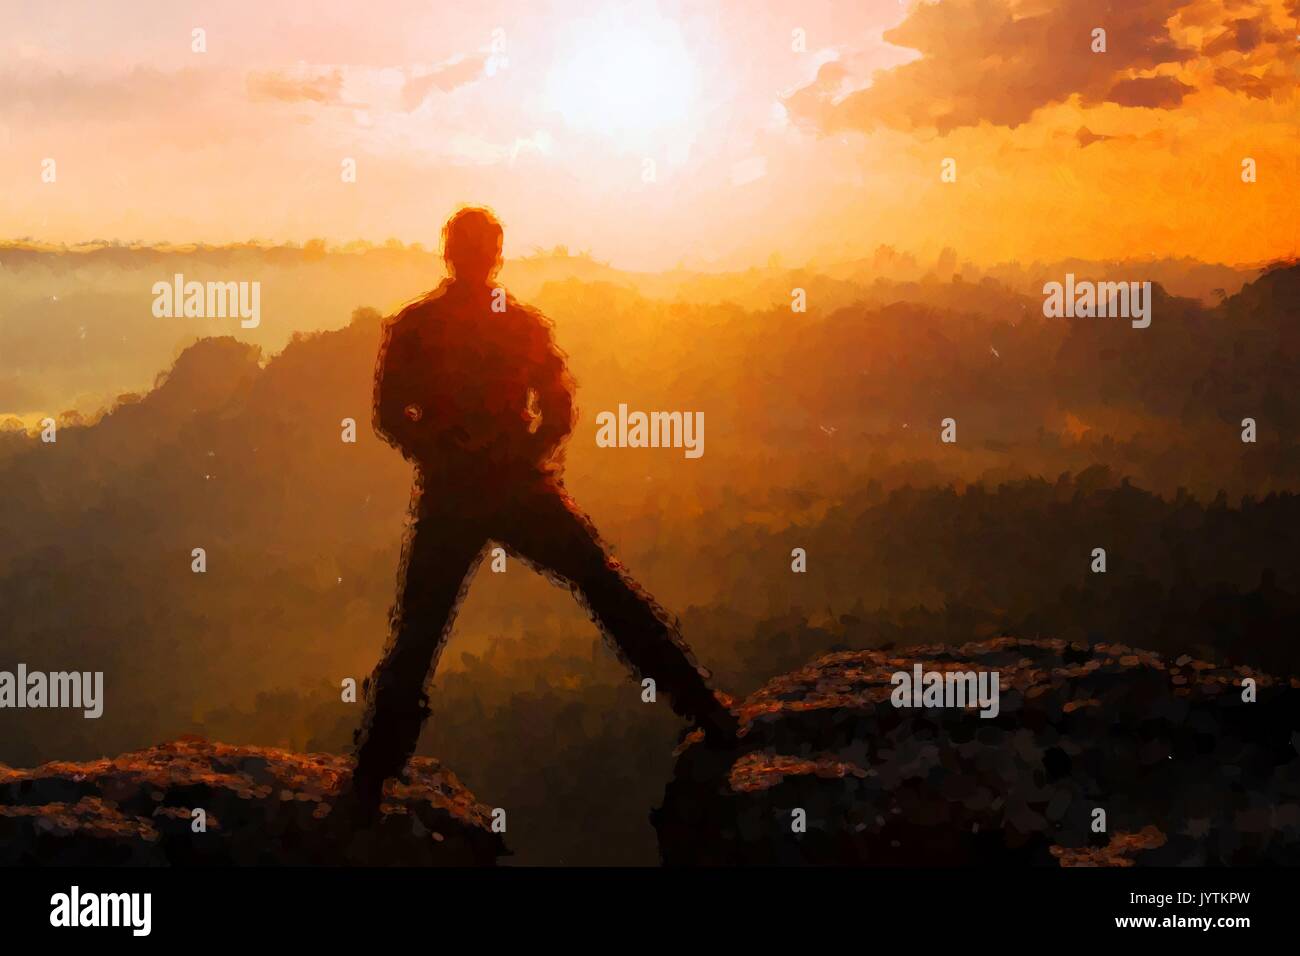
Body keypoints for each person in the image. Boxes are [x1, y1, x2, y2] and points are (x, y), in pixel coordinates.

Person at [348, 207, 739, 817]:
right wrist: (522, 452)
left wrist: (443, 450)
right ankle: (704, 707)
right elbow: (557, 408)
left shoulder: (419, 326)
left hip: (456, 494)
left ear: (449, 253)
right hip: (516, 488)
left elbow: (393, 415)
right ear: (493, 255)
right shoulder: (517, 325)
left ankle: (371, 779)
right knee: (604, 586)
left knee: (419, 635)